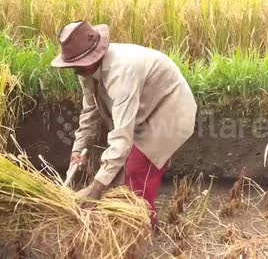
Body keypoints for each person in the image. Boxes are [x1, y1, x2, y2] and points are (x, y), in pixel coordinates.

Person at [51, 20, 197, 228]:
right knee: (119, 172)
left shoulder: (122, 73)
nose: (73, 68)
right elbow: (90, 110)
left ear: (91, 57)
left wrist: (95, 189)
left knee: (137, 171)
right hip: (144, 111)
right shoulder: (85, 70)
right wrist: (79, 147)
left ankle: (139, 229)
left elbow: (121, 137)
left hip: (170, 113)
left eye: (76, 63)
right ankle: (130, 222)